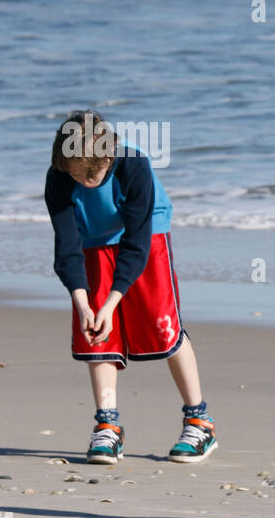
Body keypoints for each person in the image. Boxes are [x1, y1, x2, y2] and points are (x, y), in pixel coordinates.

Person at [44, 110, 216, 465]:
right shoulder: (60, 175)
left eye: (91, 174)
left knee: (162, 326)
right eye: (77, 176)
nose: (85, 182)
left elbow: (136, 247)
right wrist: (85, 304)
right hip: (93, 236)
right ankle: (108, 428)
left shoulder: (134, 166)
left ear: (108, 157)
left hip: (146, 232)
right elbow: (66, 249)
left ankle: (199, 421)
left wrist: (110, 303)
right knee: (95, 334)